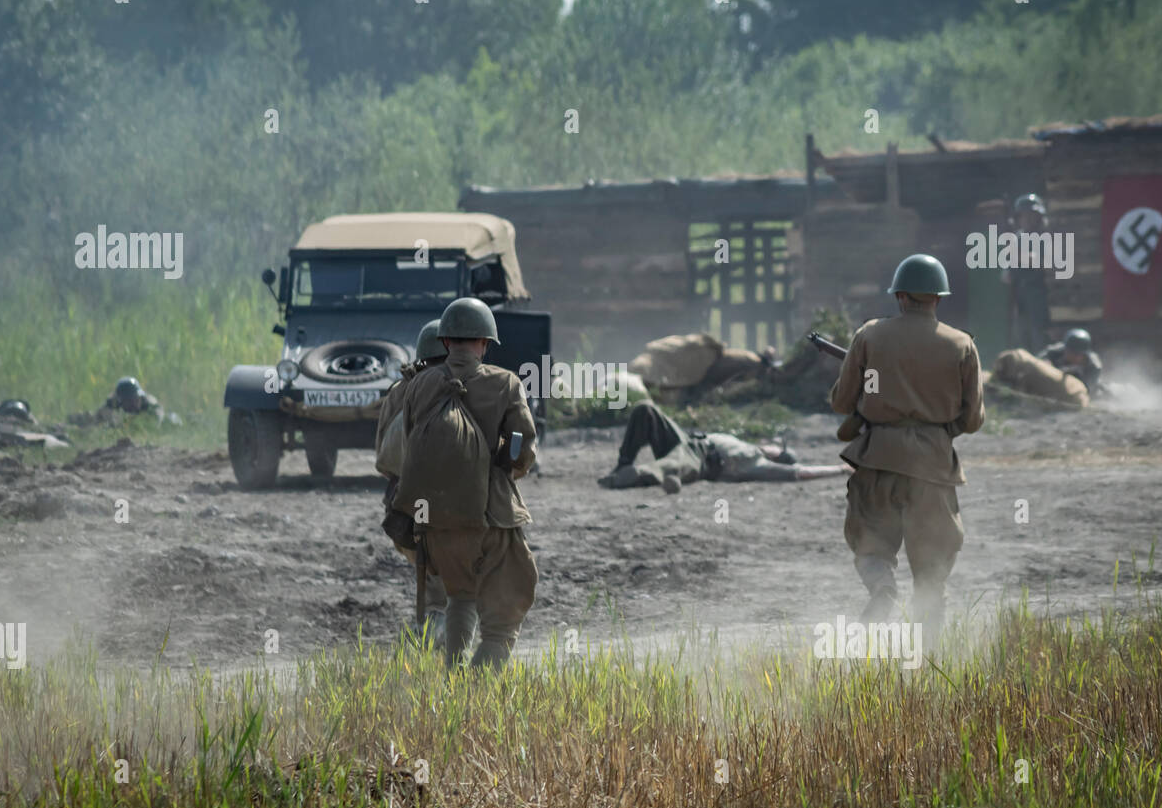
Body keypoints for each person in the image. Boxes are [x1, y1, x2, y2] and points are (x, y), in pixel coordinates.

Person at [829, 254, 985, 641]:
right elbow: (972, 420)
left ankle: (883, 590)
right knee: (932, 570)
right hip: (932, 469)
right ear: (938, 298)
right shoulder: (962, 344)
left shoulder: (869, 335)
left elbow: (841, 402)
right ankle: (928, 653)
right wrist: (937, 424)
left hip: (878, 460)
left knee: (871, 547)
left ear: (900, 296)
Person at [400, 298, 538, 670]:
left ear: (445, 342)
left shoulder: (418, 386)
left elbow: (411, 444)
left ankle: (453, 681)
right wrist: (508, 464)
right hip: (491, 518)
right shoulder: (504, 383)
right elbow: (521, 447)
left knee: (459, 598)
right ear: (484, 342)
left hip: (437, 524)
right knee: (503, 623)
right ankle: (474, 695)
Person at [375, 320, 450, 642]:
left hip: (405, 500)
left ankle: (433, 620)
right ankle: (441, 624)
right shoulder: (461, 386)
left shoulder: (400, 390)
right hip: (448, 496)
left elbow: (382, 453)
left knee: (425, 559)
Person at [598, 401, 849, 492]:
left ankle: (635, 477)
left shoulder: (758, 464)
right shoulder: (745, 444)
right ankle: (623, 466)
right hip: (686, 441)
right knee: (646, 410)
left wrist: (839, 469)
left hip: (701, 460)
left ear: (778, 457)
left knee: (670, 465)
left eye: (776, 448)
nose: (770, 445)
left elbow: (801, 473)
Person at [1005, 193, 1053, 353]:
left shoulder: (1046, 236)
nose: (1027, 220)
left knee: (1040, 338)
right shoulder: (1018, 237)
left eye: (1032, 215)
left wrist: (1024, 258)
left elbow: (1047, 263)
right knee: (1021, 337)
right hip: (1020, 295)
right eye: (1024, 216)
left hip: (1040, 294)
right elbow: (1007, 272)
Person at [1041, 328, 1102, 393]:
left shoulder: (1093, 365)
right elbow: (1039, 360)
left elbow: (1088, 389)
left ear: (1083, 355)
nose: (1071, 355)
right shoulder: (1055, 351)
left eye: (1076, 354)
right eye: (1069, 351)